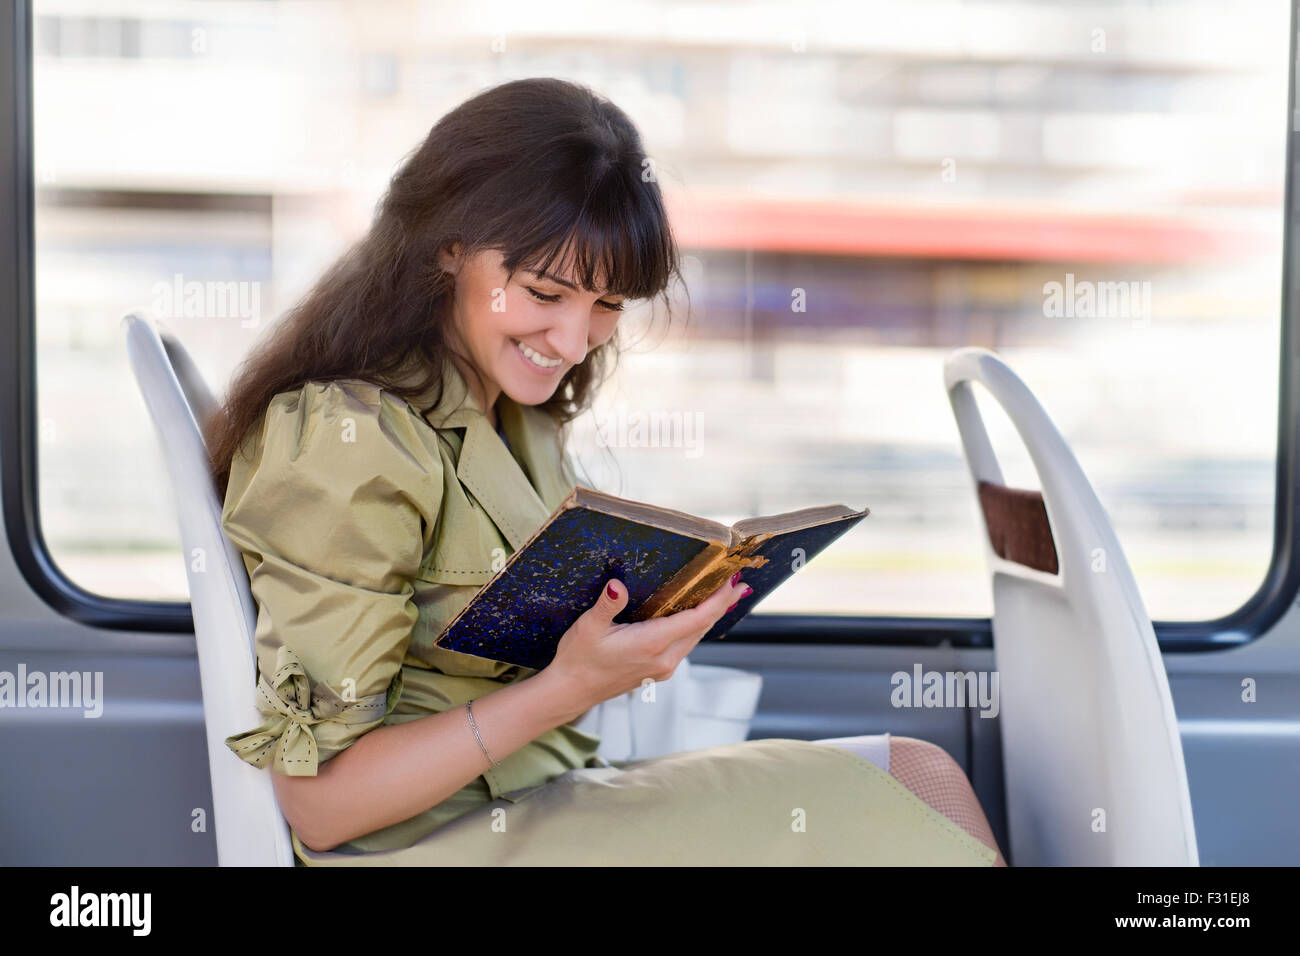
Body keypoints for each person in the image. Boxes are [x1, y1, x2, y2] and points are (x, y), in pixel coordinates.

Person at [205, 76, 1004, 866]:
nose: (574, 339)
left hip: (548, 796)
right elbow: (322, 804)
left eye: (608, 305)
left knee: (920, 774)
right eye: (544, 293)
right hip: (430, 842)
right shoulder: (347, 438)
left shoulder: (514, 416)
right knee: (913, 787)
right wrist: (569, 686)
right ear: (446, 248)